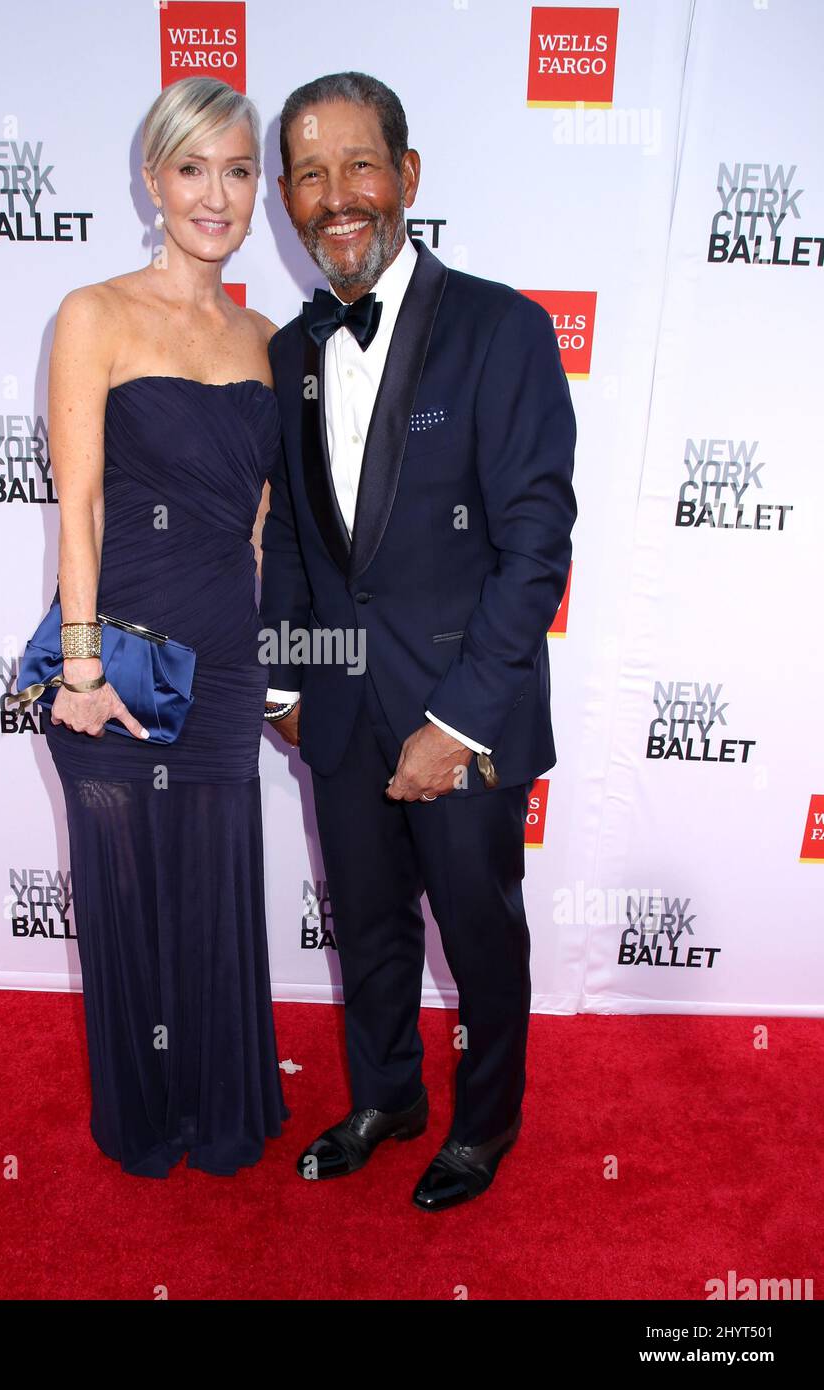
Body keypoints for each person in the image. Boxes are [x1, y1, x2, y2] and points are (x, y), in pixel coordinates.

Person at [260, 72, 577, 1211]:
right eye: (309, 173)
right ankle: (389, 1093)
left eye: (358, 165)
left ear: (407, 177)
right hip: (338, 710)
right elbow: (295, 540)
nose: (336, 195)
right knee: (371, 930)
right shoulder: (291, 354)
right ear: (286, 200)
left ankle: (485, 1123)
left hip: (462, 711)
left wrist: (456, 724)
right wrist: (285, 688)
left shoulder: (503, 328)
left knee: (480, 935)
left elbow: (536, 547)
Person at [41, 76, 289, 1177]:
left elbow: (262, 534)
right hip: (120, 658)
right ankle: (148, 1115)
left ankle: (221, 1107)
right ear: (153, 181)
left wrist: (279, 670)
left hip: (226, 663)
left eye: (238, 170)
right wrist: (84, 663)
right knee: (128, 894)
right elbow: (79, 504)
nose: (216, 194)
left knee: (217, 885)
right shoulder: (94, 313)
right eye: (194, 168)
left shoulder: (267, 337)